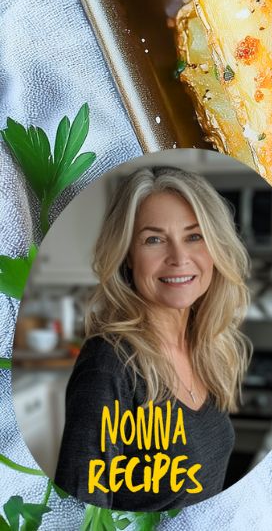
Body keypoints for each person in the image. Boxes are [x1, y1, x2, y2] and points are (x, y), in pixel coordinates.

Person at [54, 165, 251, 510]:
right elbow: (80, 512)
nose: (178, 258)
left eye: (194, 236)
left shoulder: (205, 348)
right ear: (128, 255)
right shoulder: (109, 364)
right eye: (154, 239)